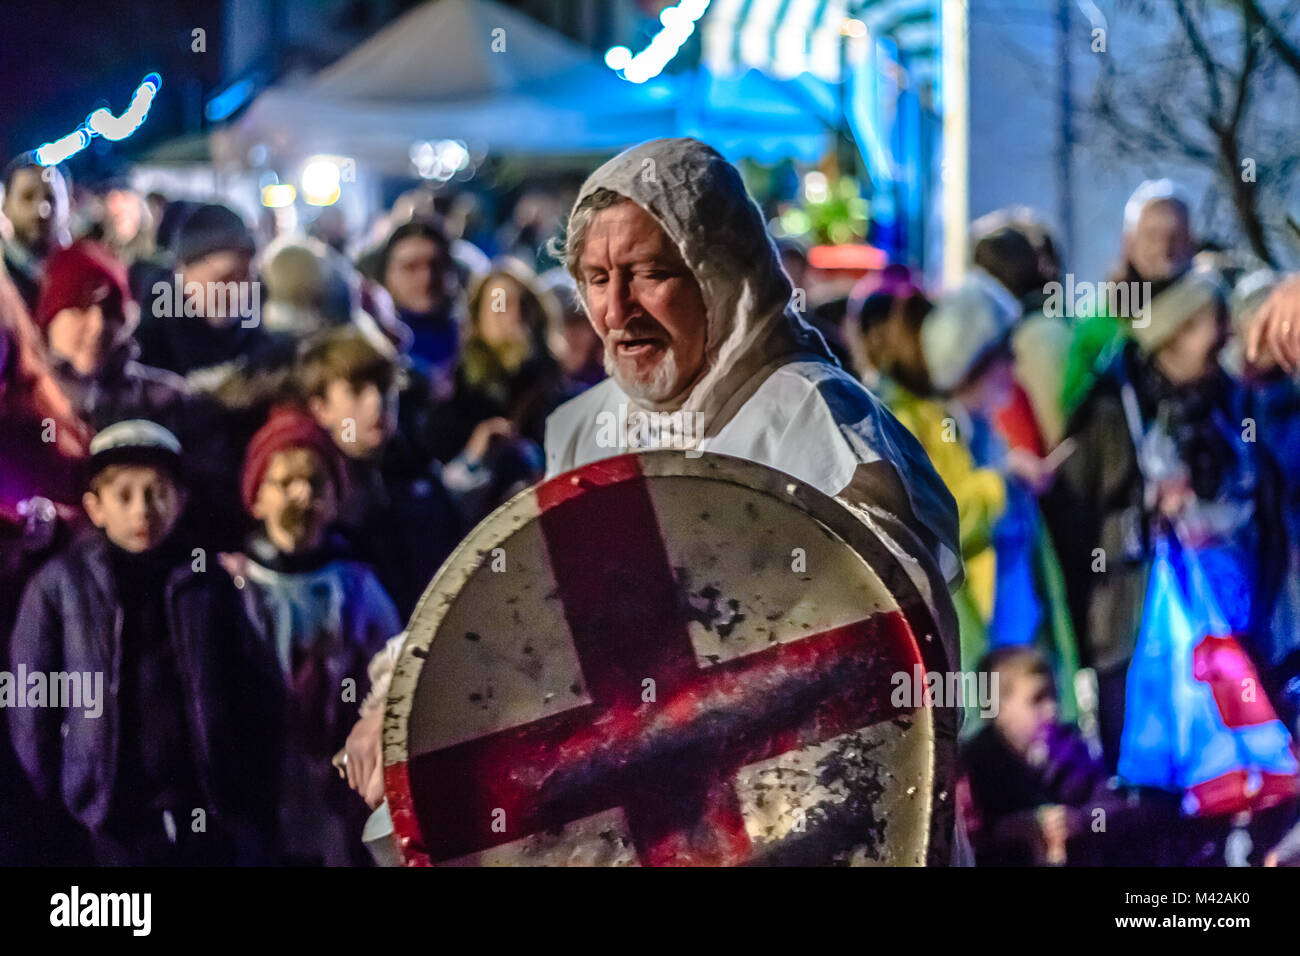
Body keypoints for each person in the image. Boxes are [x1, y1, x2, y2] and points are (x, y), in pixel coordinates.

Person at [344, 140, 964, 855]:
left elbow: (887, 655)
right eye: (596, 278)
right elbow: (521, 605)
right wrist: (401, 700)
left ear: (720, 274)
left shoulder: (822, 426)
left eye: (647, 273)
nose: (616, 308)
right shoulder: (588, 428)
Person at [1047, 267, 1289, 771]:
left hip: (1233, 622)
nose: (1223, 337)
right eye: (1209, 324)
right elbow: (1074, 521)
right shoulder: (1111, 410)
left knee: (1234, 779)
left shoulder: (1232, 401)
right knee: (1149, 790)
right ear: (1173, 336)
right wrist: (1147, 511)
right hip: (1131, 631)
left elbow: (1264, 502)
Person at [9, 420, 282, 864]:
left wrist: (250, 792)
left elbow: (256, 689)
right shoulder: (59, 585)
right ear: (95, 507)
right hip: (108, 820)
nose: (143, 511)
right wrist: (49, 809)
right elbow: (29, 703)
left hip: (205, 812)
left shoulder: (207, 580)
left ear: (182, 499)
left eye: (157, 492)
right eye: (124, 495)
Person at [227, 406, 400, 865]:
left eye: (315, 483)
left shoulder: (357, 587)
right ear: (257, 497)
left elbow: (395, 671)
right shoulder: (232, 585)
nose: (301, 495)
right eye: (284, 483)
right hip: (260, 780)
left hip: (337, 781)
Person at [299, 328, 463, 620]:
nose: (376, 403)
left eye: (385, 386)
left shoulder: (417, 469)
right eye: (356, 391)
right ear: (321, 408)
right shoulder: (313, 492)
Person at [958, 646, 1107, 865]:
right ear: (996, 707)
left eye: (1054, 696)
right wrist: (1009, 829)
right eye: (1037, 699)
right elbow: (966, 838)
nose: (1052, 709)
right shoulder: (974, 765)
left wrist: (1081, 821)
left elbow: (1108, 814)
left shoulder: (1073, 749)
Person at [1061, 179, 1197, 418]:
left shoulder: (1210, 309)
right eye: (1152, 235)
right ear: (1129, 243)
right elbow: (1075, 401)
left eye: (1175, 236)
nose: (1164, 249)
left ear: (1192, 241)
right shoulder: (1100, 315)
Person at [134, 202, 267, 380]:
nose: (238, 292)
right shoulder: (143, 352)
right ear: (183, 272)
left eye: (247, 278)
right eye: (224, 280)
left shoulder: (263, 350)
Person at [374, 219, 462, 381]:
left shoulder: (471, 340)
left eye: (435, 265)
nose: (426, 278)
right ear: (387, 275)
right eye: (410, 267)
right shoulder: (375, 347)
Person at [1, 156, 70, 312]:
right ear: (5, 206)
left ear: (68, 205)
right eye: (28, 197)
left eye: (50, 199)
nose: (42, 210)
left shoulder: (82, 274)